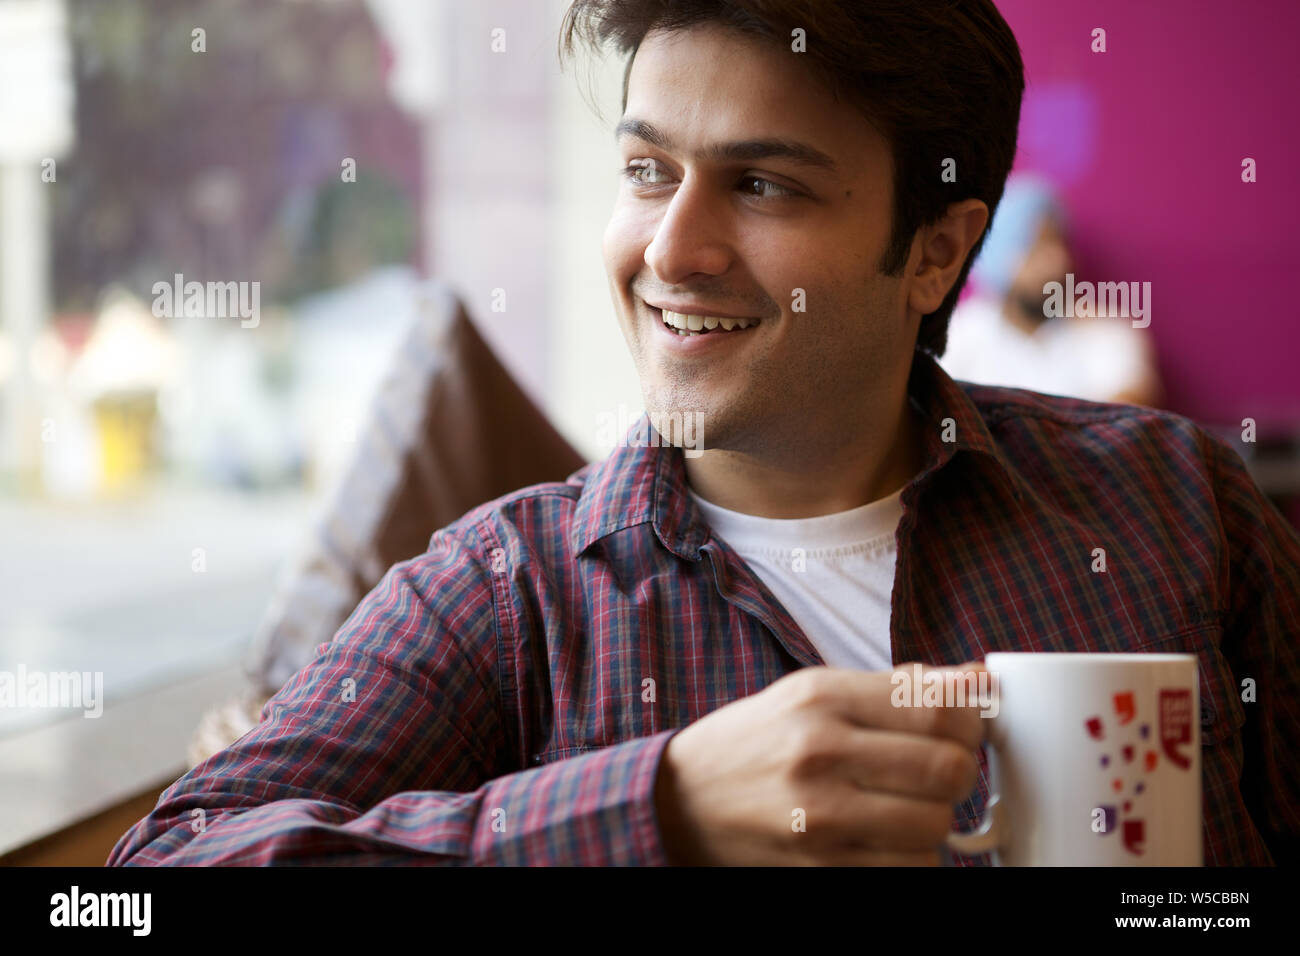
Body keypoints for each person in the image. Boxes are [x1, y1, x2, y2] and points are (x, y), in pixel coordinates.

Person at [109, 0, 1299, 867]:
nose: (670, 250)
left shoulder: (1175, 502)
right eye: (646, 170)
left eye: (763, 185)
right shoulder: (501, 593)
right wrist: (655, 809)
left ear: (934, 250)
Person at [939, 173, 1164, 407]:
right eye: (1037, 248)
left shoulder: (1108, 333)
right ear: (997, 259)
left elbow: (1130, 413)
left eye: (1060, 243)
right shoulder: (958, 336)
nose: (1058, 261)